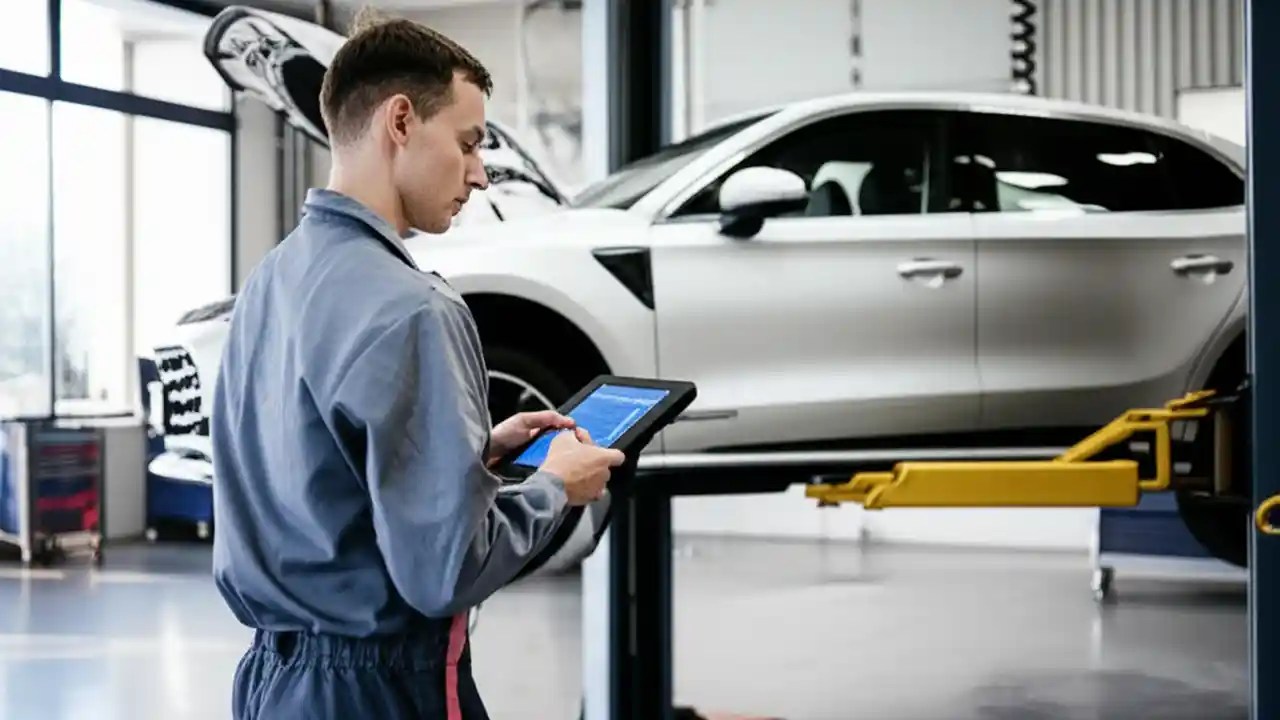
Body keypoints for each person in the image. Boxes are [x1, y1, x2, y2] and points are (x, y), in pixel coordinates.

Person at [209, 10, 626, 720]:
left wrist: (470, 456)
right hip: (377, 690)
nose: (482, 174)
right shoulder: (415, 309)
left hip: (272, 685)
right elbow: (445, 570)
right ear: (400, 122)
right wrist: (555, 487)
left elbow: (315, 475)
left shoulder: (270, 282)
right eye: (468, 143)